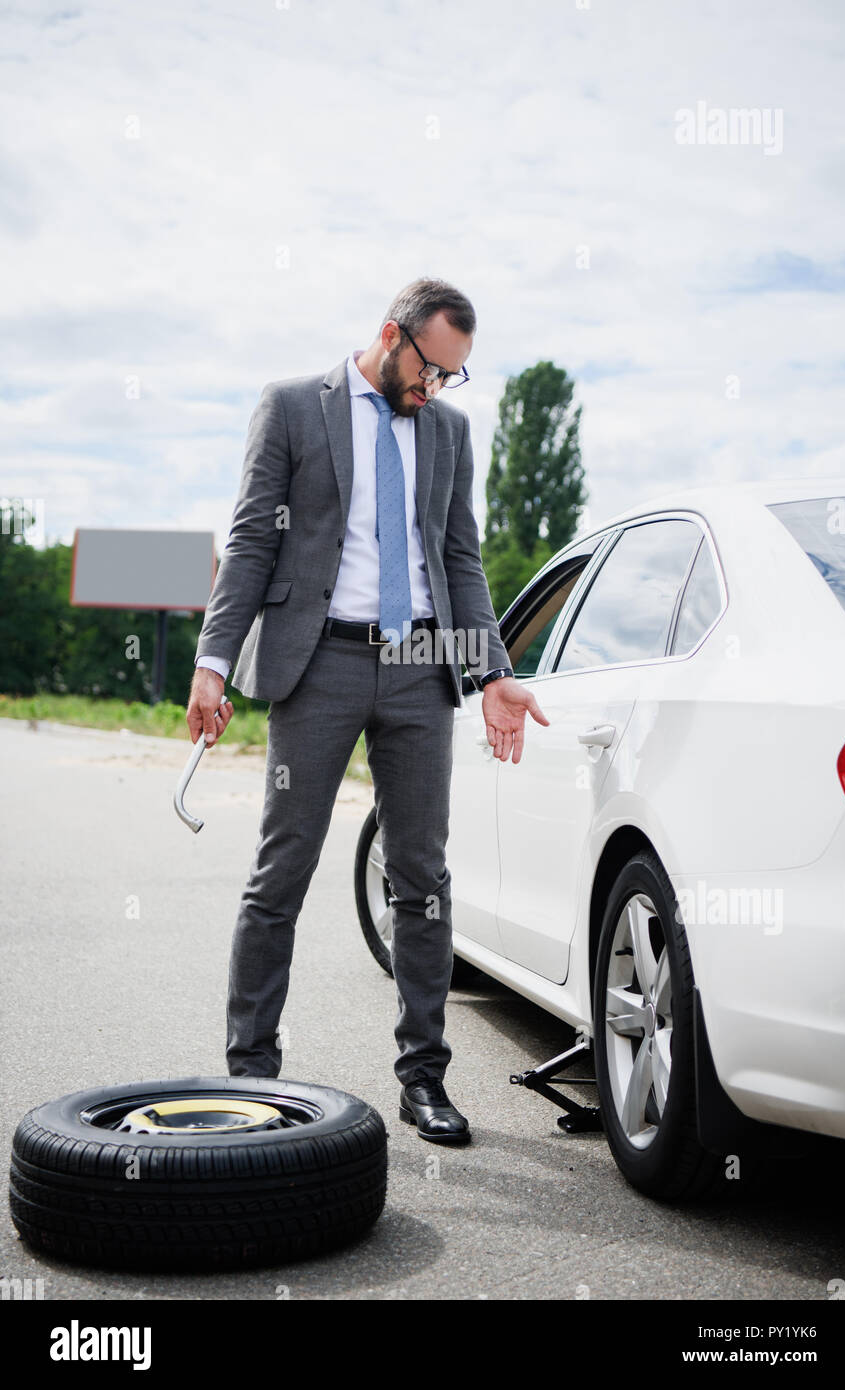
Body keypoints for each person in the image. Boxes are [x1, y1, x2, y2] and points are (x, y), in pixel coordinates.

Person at [186, 277, 549, 1144]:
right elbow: (249, 540)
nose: (435, 391)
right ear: (391, 335)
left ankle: (423, 1078)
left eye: (452, 378)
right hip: (321, 661)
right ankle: (252, 1077)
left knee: (421, 877)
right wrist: (213, 660)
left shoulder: (449, 431)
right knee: (284, 871)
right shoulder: (291, 407)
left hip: (422, 666)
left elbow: (459, 556)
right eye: (430, 370)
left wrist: (492, 668)